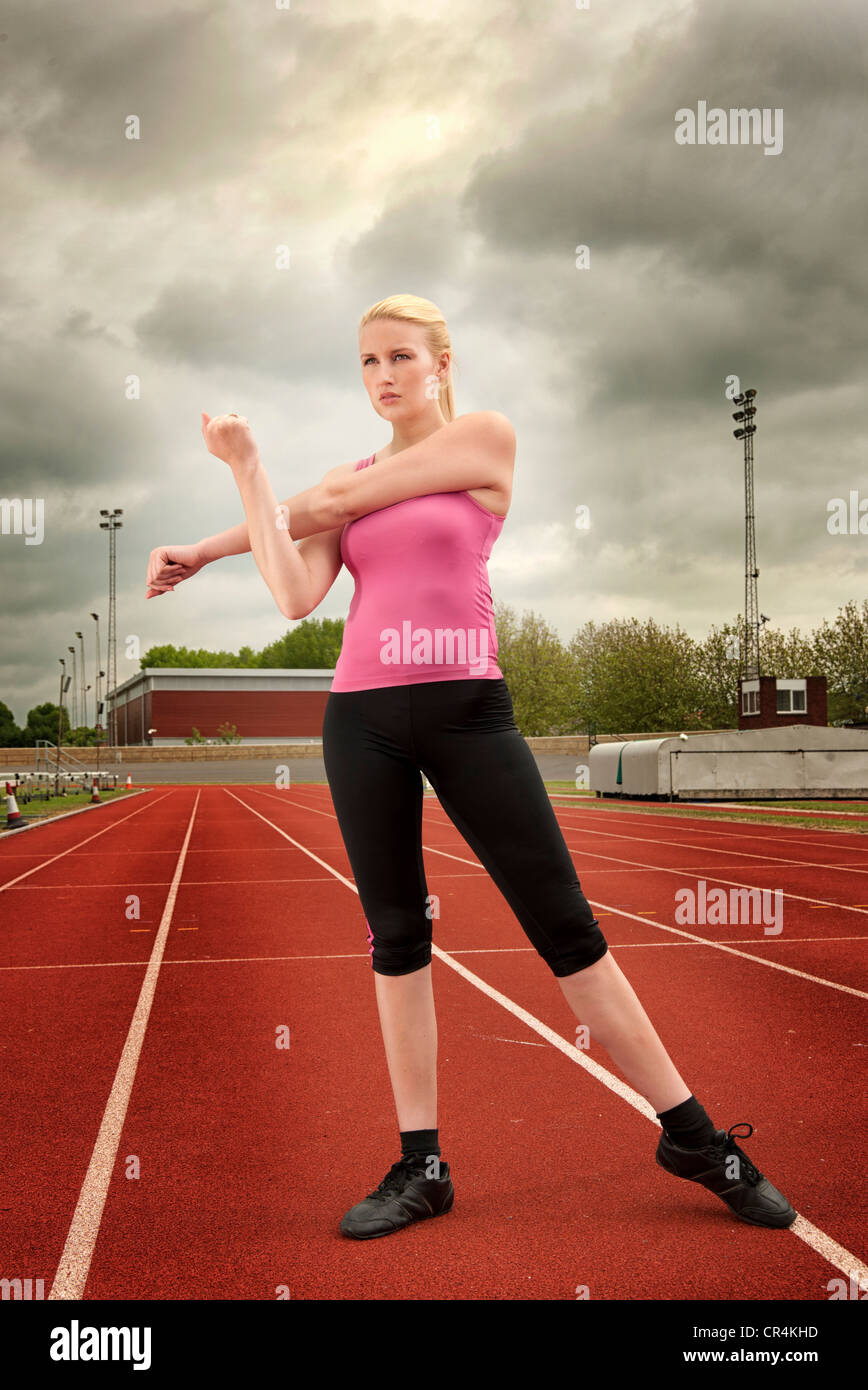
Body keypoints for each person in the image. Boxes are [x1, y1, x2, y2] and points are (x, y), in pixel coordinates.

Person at [145, 293, 796, 1242]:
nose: (383, 377)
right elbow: (292, 590)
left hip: (469, 711)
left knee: (567, 928)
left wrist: (209, 542)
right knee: (396, 937)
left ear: (442, 364)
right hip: (360, 721)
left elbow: (321, 506)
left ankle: (694, 1137)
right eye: (367, 363)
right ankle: (423, 1166)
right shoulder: (347, 478)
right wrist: (245, 471)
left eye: (401, 357)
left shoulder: (482, 441)